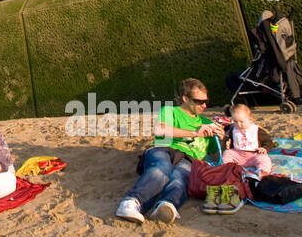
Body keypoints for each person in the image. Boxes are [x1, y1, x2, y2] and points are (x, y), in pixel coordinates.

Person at [115, 78, 224, 225]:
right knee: (161, 169)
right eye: (199, 101)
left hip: (189, 158)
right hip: (164, 148)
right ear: (186, 98)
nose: (204, 105)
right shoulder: (170, 111)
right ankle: (131, 203)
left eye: (206, 101)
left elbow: (216, 156)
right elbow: (159, 129)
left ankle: (166, 206)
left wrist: (222, 140)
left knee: (179, 180)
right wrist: (194, 132)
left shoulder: (208, 123)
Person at [221, 104, 274, 176]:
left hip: (254, 155)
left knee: (264, 159)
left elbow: (268, 141)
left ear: (250, 120)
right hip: (237, 154)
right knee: (227, 153)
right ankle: (228, 168)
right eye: (235, 121)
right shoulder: (232, 129)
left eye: (241, 121)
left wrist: (264, 148)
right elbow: (225, 139)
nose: (239, 124)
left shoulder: (257, 130)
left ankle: (262, 171)